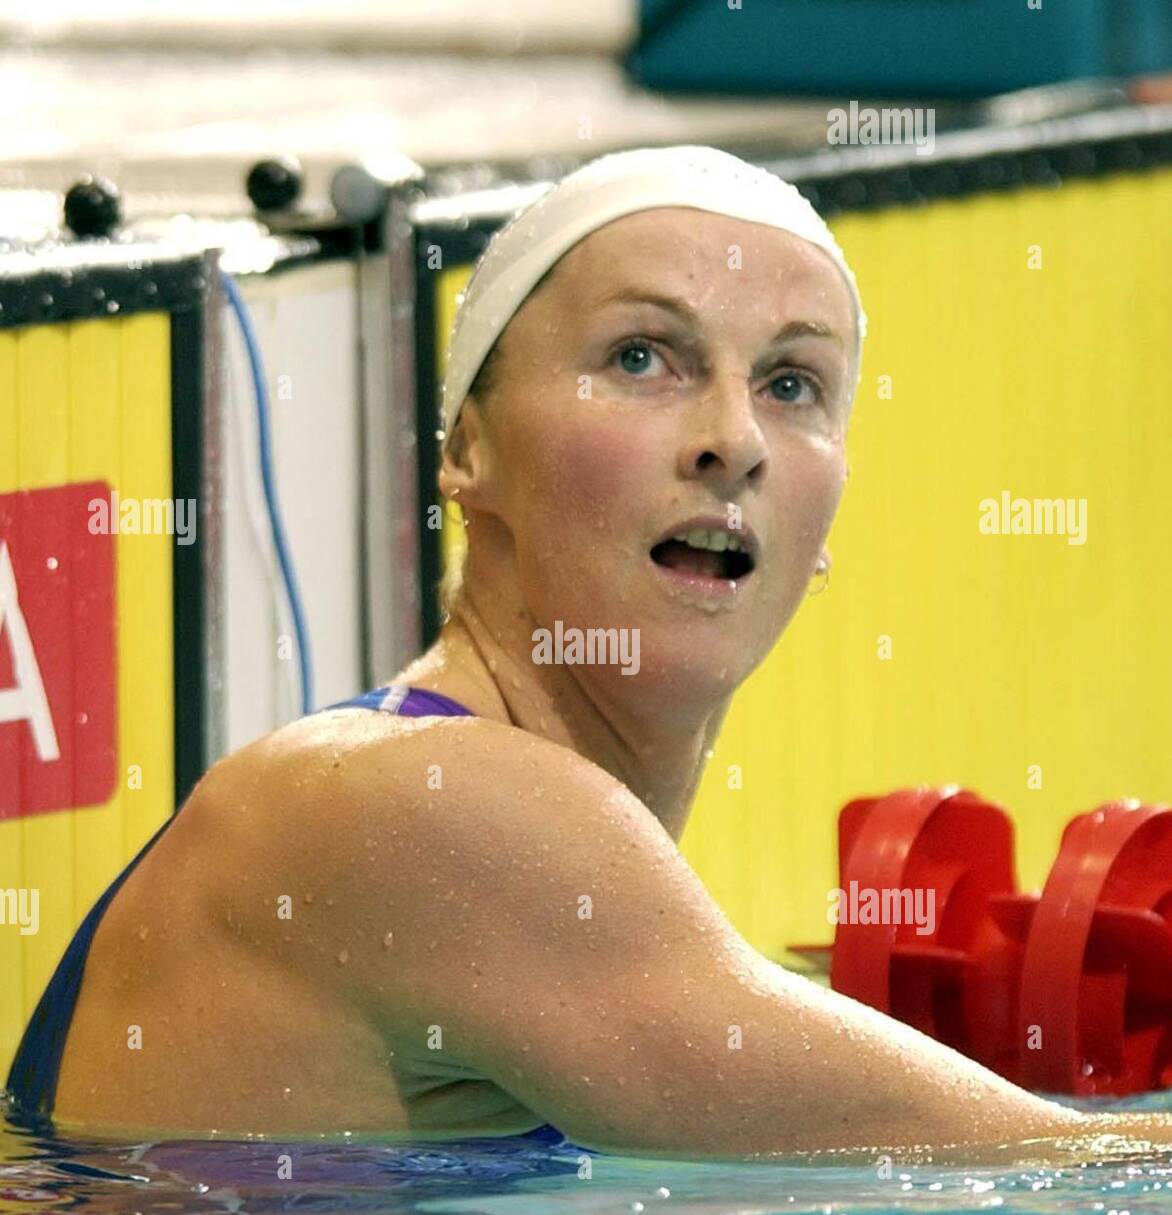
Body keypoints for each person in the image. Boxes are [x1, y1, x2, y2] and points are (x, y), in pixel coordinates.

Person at [9, 146, 1171, 1162]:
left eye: (790, 383)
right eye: (641, 358)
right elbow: (1065, 1177)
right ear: (466, 447)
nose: (732, 441)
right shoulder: (415, 803)